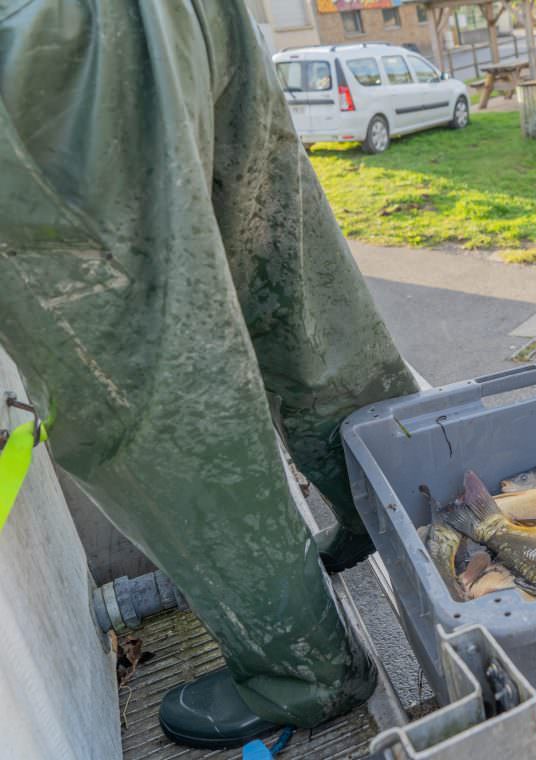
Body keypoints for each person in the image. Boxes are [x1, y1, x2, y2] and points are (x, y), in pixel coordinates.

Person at [0, 1, 416, 749]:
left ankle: (308, 671)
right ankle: (415, 522)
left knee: (153, 403)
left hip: (41, 55)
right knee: (295, 289)